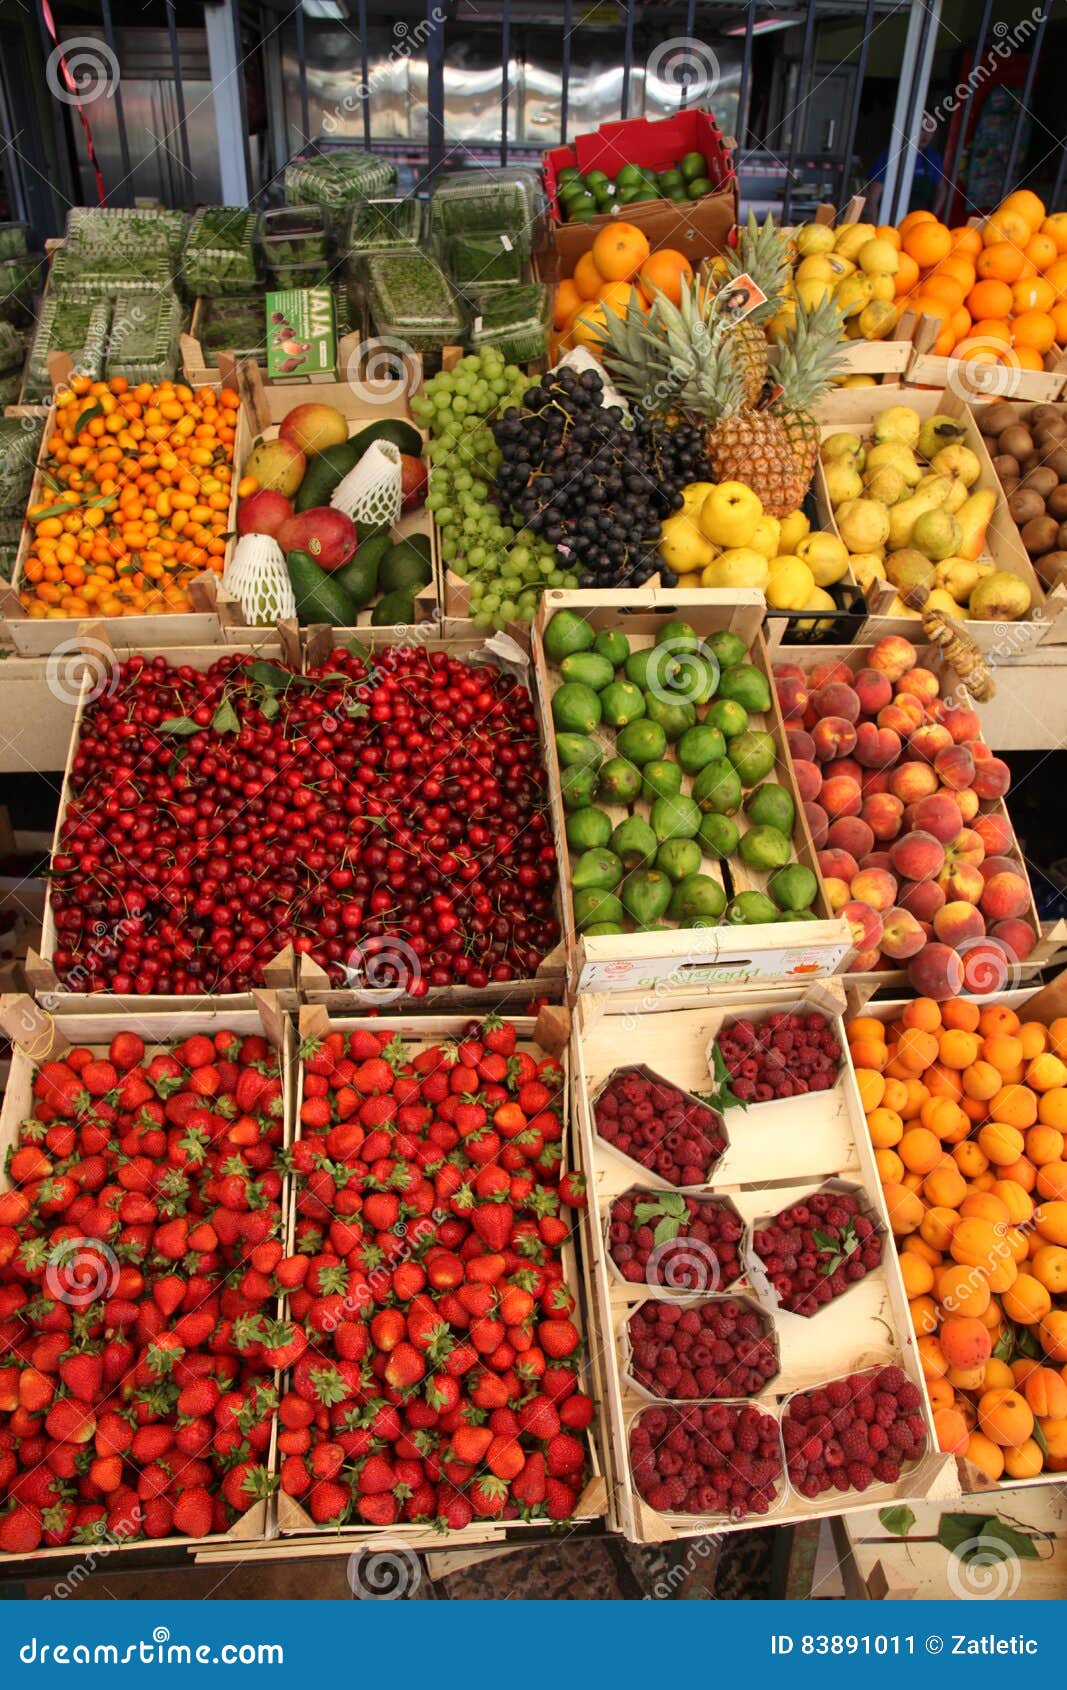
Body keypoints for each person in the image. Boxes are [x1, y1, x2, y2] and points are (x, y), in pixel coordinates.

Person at [867, 115, 946, 221]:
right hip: (889, 221)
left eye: (931, 129)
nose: (926, 134)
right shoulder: (889, 155)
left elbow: (942, 190)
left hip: (919, 224)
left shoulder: (933, 158)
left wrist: (932, 218)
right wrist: (875, 225)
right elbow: (873, 198)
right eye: (922, 128)